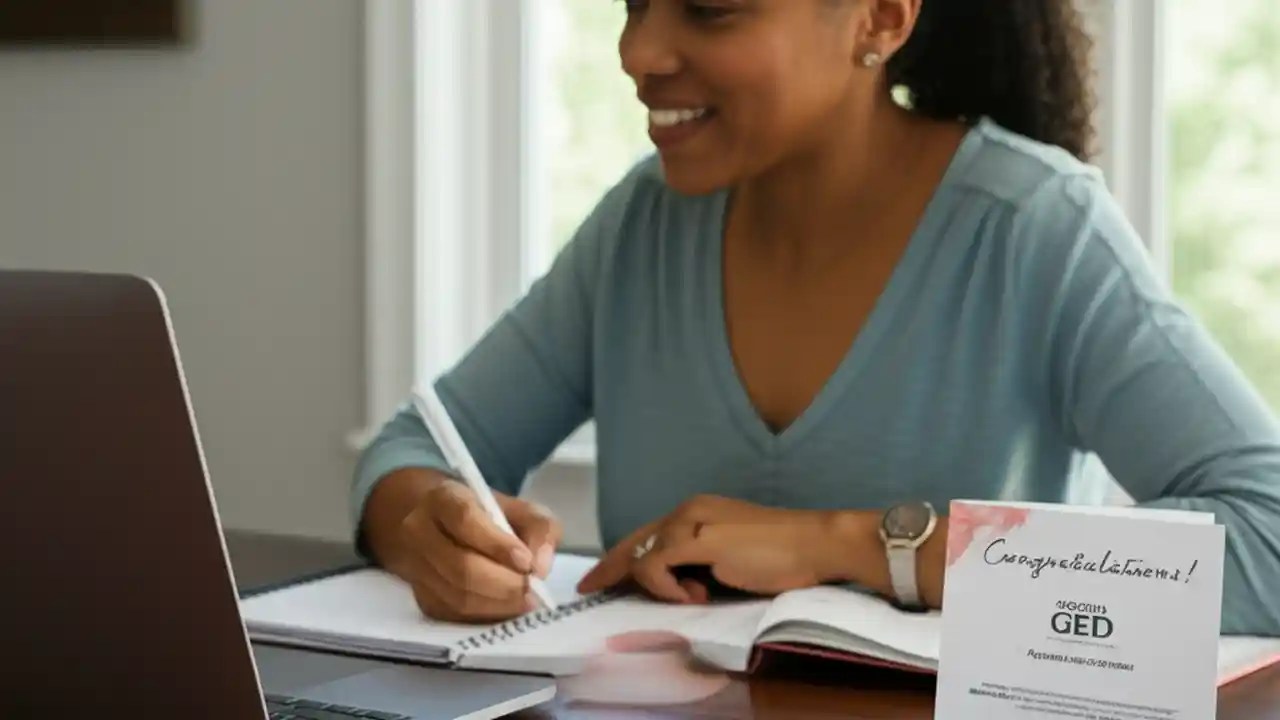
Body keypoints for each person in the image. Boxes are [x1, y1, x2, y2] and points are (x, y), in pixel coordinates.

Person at [352, 0, 1280, 634]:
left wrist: (853, 544)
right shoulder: (641, 228)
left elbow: (1268, 542)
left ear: (880, 16)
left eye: (710, 6)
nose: (637, 52)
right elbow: (413, 449)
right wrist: (428, 528)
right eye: (633, 1)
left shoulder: (1034, 230)